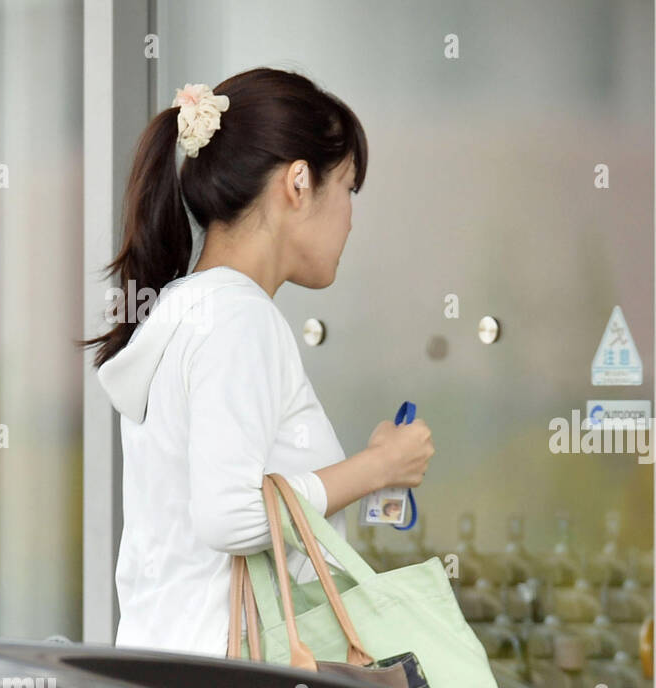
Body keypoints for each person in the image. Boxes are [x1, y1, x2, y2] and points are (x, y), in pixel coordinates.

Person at [84, 68, 435, 657]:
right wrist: (378, 468)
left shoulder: (182, 311)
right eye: (348, 187)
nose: (350, 215)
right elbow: (231, 517)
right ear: (298, 183)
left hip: (170, 676)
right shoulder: (236, 318)